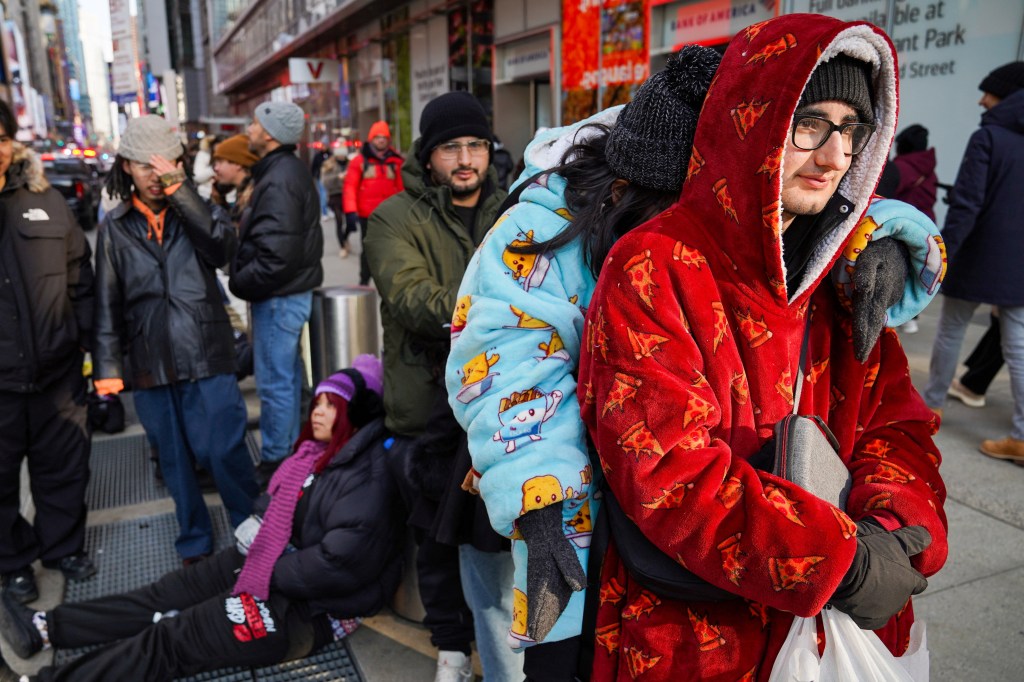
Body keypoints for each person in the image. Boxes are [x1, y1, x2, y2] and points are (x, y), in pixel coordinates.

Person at [447, 41, 946, 681]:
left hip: (737, 553)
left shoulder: (781, 216)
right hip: (576, 486)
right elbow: (507, 355)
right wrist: (538, 492)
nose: (697, 230)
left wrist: (889, 237)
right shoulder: (568, 230)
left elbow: (831, 197)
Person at [0, 357, 404, 682]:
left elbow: (337, 564)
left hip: (305, 611)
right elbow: (277, 500)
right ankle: (45, 627)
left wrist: (268, 564)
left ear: (354, 414)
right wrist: (259, 523)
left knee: (170, 639)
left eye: (332, 406)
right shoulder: (313, 453)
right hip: (266, 563)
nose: (318, 412)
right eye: (317, 402)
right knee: (161, 596)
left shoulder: (367, 480)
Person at [364, 91, 515, 681]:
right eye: (451, 147)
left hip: (498, 408)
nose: (466, 159)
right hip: (426, 408)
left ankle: (496, 647)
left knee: (493, 541)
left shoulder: (515, 208)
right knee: (434, 538)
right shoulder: (394, 217)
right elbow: (412, 298)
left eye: (476, 145)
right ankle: (451, 648)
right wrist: (507, 311)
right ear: (427, 156)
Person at [92, 116, 258, 564]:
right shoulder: (114, 228)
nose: (155, 174)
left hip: (207, 350)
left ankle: (251, 527)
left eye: (165, 163)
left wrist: (182, 193)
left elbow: (223, 250)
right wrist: (107, 371)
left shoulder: (198, 211)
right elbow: (106, 304)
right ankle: (194, 541)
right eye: (145, 165)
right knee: (175, 462)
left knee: (225, 449)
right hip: (149, 359)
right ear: (126, 167)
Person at [0, 99, 96, 605]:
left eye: (0, 138)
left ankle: (63, 548)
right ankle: (12, 562)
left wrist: (83, 341)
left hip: (57, 372)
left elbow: (80, 273)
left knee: (64, 467)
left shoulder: (46, 198)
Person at [923, 61, 1024, 461]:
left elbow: (966, 205)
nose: (982, 100)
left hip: (979, 253)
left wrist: (942, 252)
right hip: (1019, 262)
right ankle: (1021, 435)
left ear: (1009, 96)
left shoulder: (988, 137)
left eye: (989, 92)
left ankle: (930, 408)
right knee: (1018, 343)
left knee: (952, 328)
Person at [230, 102, 324, 477]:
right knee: (287, 379)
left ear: (269, 134)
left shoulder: (279, 178)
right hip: (285, 294)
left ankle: (276, 461)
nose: (249, 129)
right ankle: (292, 453)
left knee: (275, 384)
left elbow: (277, 255)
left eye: (255, 123)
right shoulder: (283, 170)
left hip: (279, 296)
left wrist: (239, 280)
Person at [344, 120, 403, 283]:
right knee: (368, 250)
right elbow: (350, 187)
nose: (381, 140)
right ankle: (364, 281)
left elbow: (402, 189)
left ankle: (387, 282)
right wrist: (350, 211)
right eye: (378, 137)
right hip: (367, 215)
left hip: (390, 216)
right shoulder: (359, 161)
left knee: (390, 249)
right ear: (371, 139)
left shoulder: (396, 161)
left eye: (384, 137)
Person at [891, 124, 938, 221]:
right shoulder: (930, 173)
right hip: (927, 224)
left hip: (901, 223)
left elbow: (882, 190)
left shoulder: (902, 168)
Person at [211, 133, 259, 225]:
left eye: (220, 162)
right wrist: (220, 200)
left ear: (237, 164)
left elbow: (233, 230)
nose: (216, 168)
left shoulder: (253, 197)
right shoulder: (243, 193)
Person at [320, 142, 349, 258]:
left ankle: (345, 238)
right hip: (335, 195)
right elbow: (325, 181)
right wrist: (338, 177)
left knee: (351, 222)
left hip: (348, 194)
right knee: (339, 221)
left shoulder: (351, 164)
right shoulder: (329, 164)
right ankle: (342, 246)